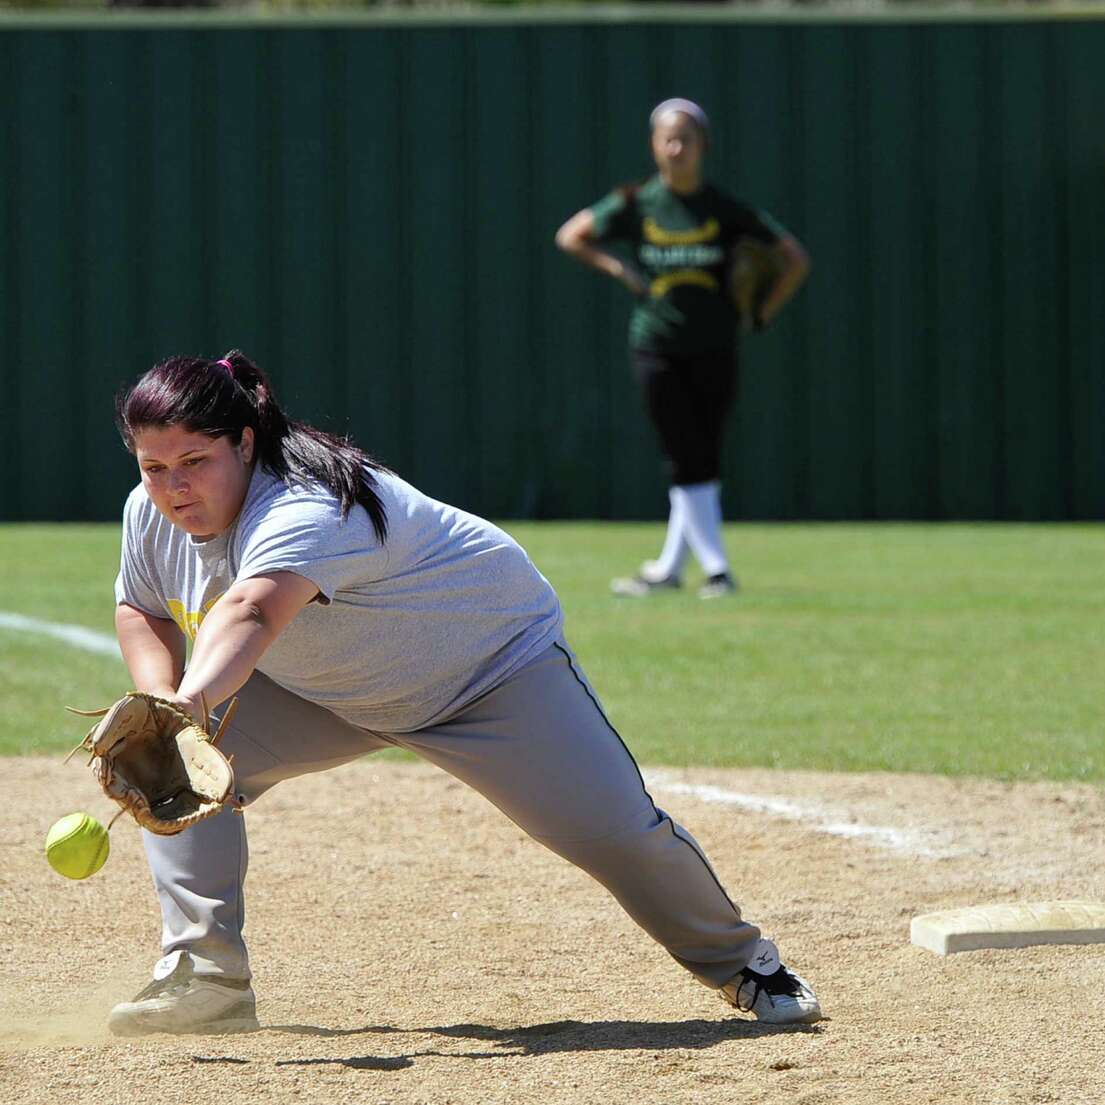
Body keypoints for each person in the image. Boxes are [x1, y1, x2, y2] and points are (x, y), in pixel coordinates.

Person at [101, 350, 822, 1036]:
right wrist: (165, 699)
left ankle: (746, 964)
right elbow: (144, 607)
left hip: (485, 671)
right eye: (154, 466)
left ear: (248, 443)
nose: (174, 486)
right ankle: (206, 975)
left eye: (196, 461)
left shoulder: (306, 503)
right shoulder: (149, 511)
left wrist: (183, 708)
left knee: (610, 831)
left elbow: (252, 611)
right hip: (325, 692)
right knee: (166, 768)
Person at [556, 98, 810, 599]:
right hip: (656, 344)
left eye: (686, 139)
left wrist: (762, 311)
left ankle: (669, 570)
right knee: (685, 454)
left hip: (715, 343)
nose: (676, 148)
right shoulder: (637, 203)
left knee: (701, 457)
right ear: (654, 145)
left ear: (703, 147)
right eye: (667, 139)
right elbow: (571, 235)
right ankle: (717, 569)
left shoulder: (723, 208)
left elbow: (794, 258)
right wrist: (619, 267)